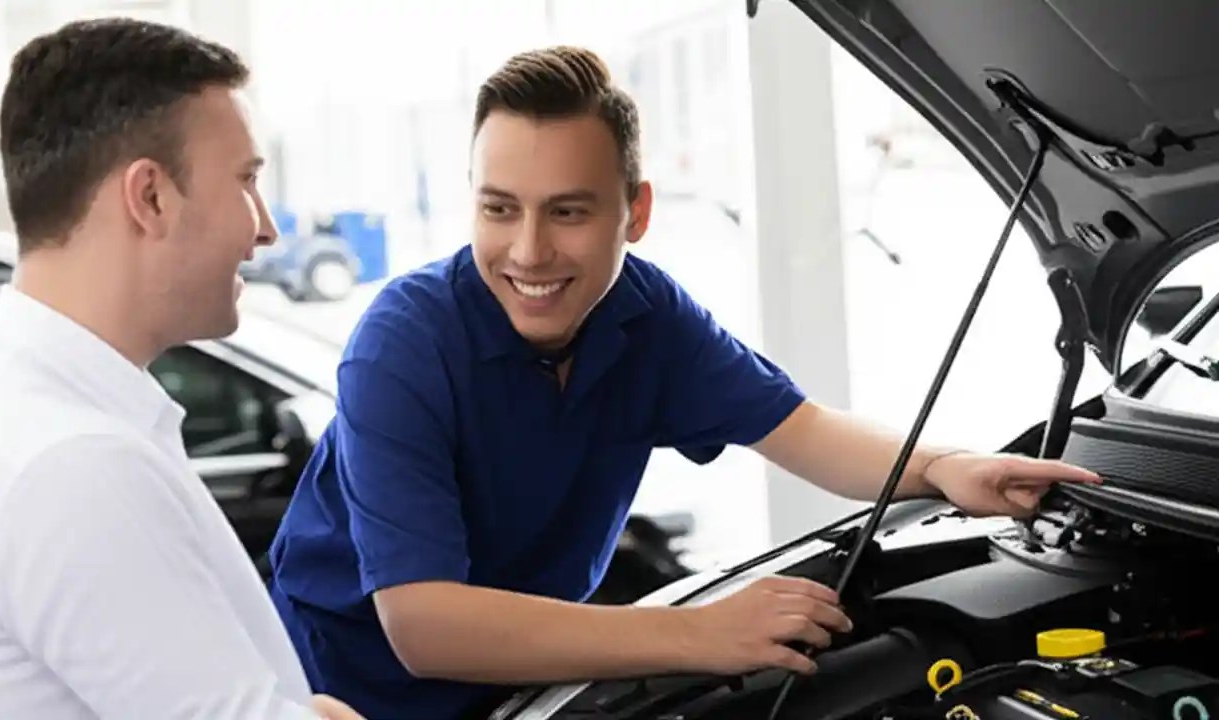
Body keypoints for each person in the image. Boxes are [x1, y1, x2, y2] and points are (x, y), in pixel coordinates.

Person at [266, 46, 1101, 719]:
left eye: (567, 211)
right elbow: (424, 626)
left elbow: (801, 428)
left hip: (523, 691)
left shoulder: (645, 316)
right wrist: (698, 633)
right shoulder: (404, 342)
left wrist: (945, 467)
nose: (528, 251)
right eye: (499, 208)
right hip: (338, 695)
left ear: (636, 211)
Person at [0, 18, 362, 720]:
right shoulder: (73, 465)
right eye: (246, 181)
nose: (265, 227)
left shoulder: (18, 412)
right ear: (151, 197)